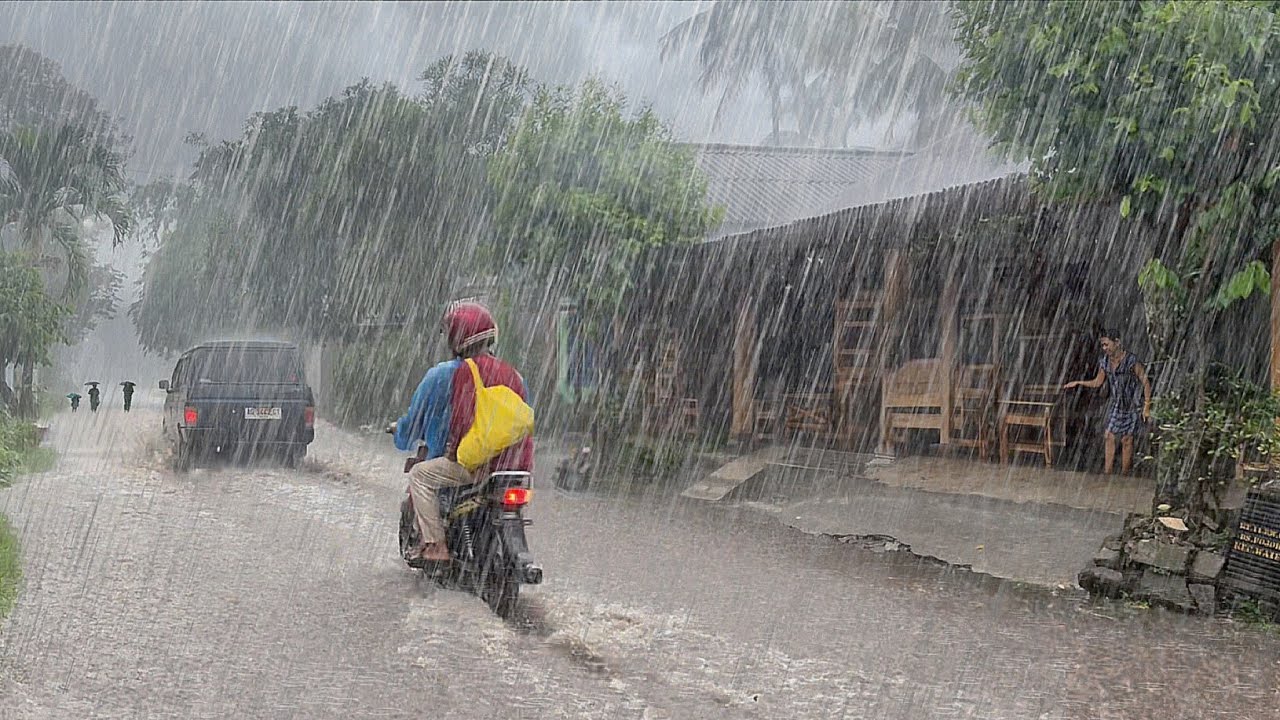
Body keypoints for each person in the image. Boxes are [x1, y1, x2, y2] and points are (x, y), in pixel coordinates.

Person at [394, 301, 534, 562]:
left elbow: (457, 420)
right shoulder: (515, 375)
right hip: (511, 468)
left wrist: (449, 451)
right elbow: (525, 420)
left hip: (470, 466)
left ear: (455, 338)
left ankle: (436, 545)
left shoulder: (450, 374)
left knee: (419, 475)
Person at [1063, 329, 1152, 475]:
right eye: (1103, 345)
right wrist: (1078, 382)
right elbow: (1098, 382)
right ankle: (1108, 473)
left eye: (1107, 344)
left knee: (1127, 439)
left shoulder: (1131, 361)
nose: (1105, 348)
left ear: (1117, 342)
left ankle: (1124, 474)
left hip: (1133, 404)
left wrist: (1146, 406)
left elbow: (1146, 382)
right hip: (1117, 404)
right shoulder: (1105, 362)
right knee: (1109, 436)